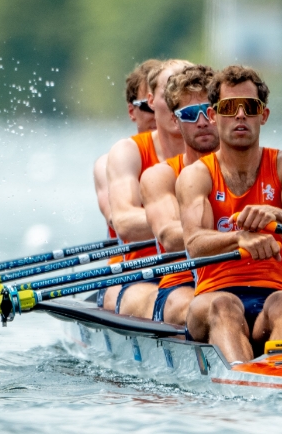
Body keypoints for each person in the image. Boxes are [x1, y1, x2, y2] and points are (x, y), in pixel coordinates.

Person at [177, 65, 282, 363]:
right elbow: (194, 244)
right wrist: (239, 238)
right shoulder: (196, 176)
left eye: (249, 107)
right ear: (214, 116)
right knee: (225, 306)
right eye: (229, 107)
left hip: (275, 297)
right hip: (213, 298)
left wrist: (274, 215)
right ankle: (242, 379)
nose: (240, 115)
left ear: (262, 116)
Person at [128, 65, 219, 325]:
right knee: (217, 307)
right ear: (177, 121)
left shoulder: (261, 168)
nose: (201, 121)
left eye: (209, 113)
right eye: (190, 114)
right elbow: (170, 236)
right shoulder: (160, 176)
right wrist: (237, 234)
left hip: (240, 283)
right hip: (180, 286)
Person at [103, 59, 193, 312]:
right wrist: (197, 222)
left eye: (189, 96)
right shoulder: (127, 152)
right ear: (151, 101)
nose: (179, 106)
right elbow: (124, 223)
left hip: (204, 270)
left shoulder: (217, 150)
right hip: (142, 274)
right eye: (172, 95)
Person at [93, 59, 160, 246]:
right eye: (149, 106)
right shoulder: (109, 163)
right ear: (132, 111)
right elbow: (118, 219)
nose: (158, 114)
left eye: (166, 104)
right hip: (138, 269)